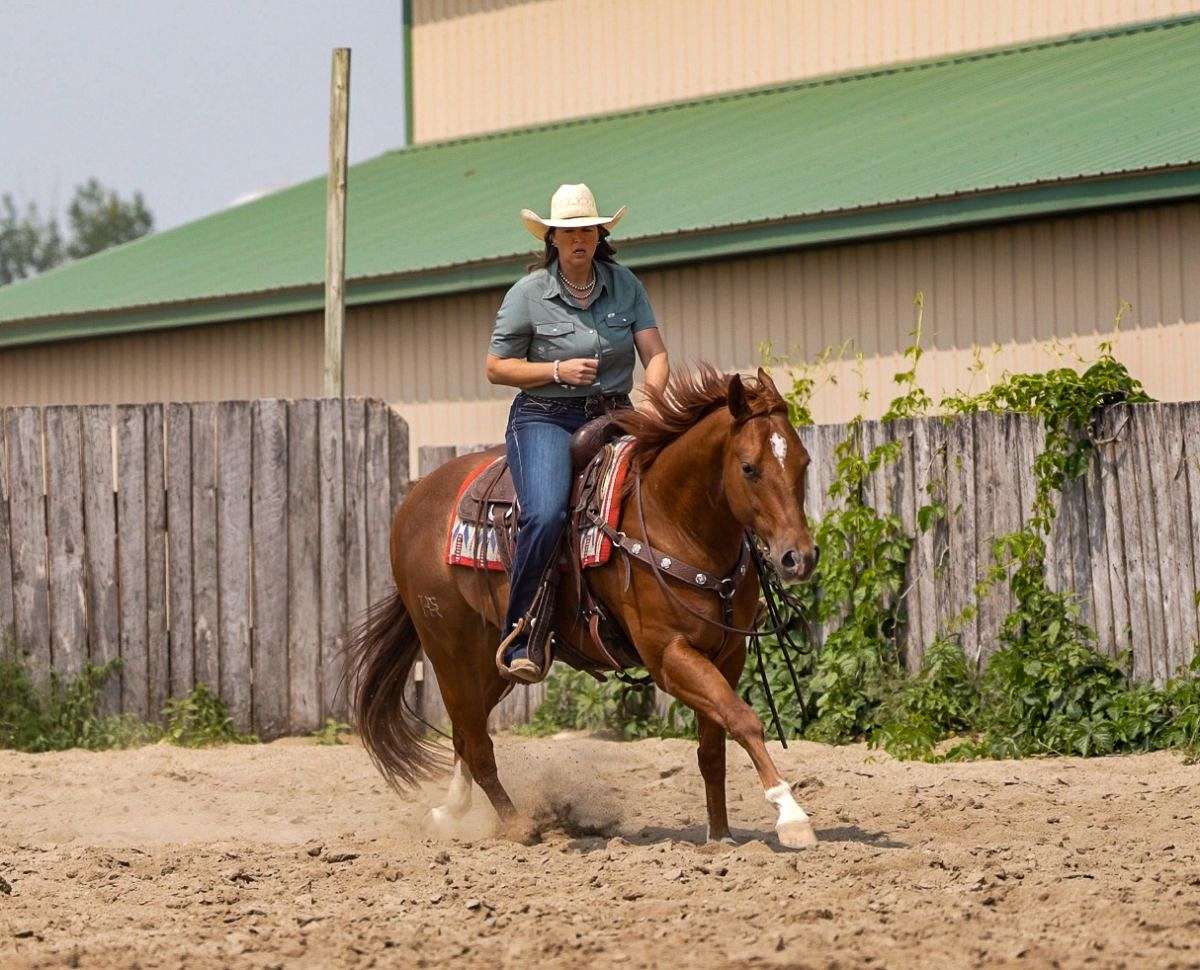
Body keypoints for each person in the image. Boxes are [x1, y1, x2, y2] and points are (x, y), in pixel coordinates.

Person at [485, 183, 669, 682]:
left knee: (666, 492)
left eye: (587, 228)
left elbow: (655, 354)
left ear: (599, 234)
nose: (579, 238)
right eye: (568, 231)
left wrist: (651, 403)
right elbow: (497, 367)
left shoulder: (625, 285)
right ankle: (521, 632)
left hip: (614, 413)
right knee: (545, 513)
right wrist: (556, 371)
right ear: (553, 239)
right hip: (544, 415)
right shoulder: (527, 294)